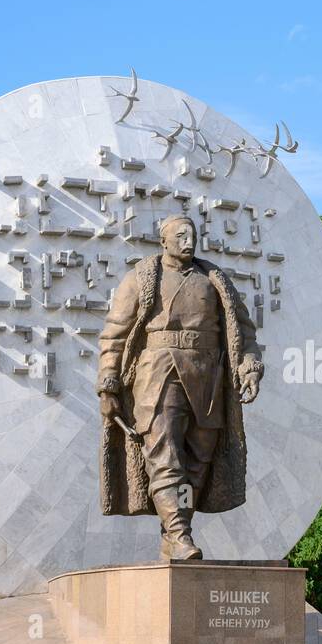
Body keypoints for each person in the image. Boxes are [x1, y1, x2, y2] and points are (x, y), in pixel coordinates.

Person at [97, 215, 263, 560]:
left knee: (197, 462)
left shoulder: (214, 279)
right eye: (181, 236)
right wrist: (109, 386)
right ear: (164, 241)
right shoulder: (142, 278)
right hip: (158, 374)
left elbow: (242, 329)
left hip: (207, 378)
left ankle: (173, 532)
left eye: (193, 235)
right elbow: (114, 333)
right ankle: (180, 534)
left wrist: (249, 364)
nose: (189, 241)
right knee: (164, 455)